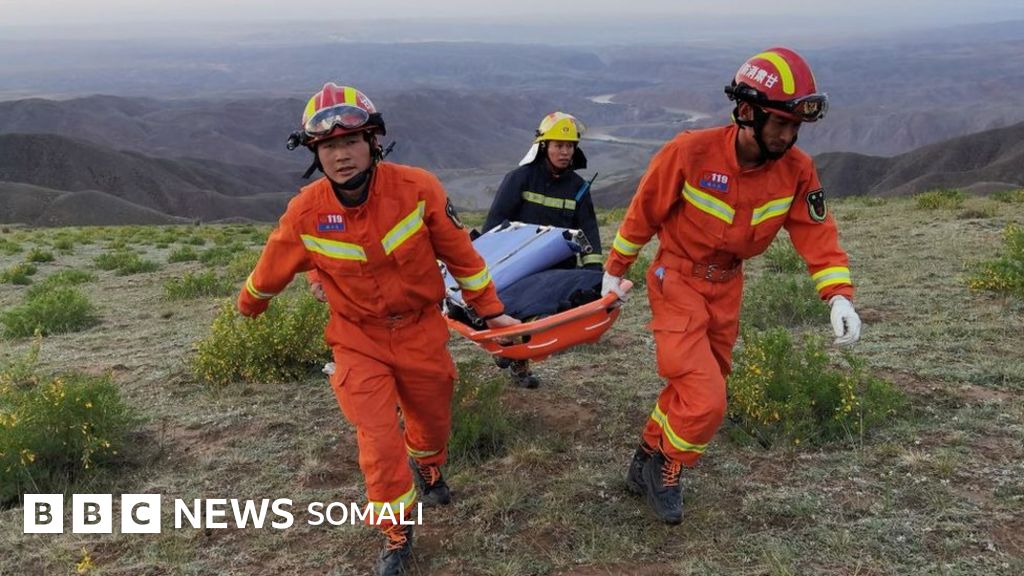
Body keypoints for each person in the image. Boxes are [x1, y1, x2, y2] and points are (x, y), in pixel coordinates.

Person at [237, 83, 519, 576]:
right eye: (327, 147)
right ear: (314, 153)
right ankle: (395, 530)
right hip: (357, 339)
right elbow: (271, 268)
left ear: (373, 143)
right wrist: (250, 306)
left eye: (350, 142)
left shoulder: (417, 189)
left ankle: (429, 464)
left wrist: (491, 312)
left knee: (430, 422)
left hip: (421, 330)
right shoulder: (306, 211)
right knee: (377, 439)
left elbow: (462, 256)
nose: (340, 155)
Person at [601, 48, 862, 524]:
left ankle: (643, 459)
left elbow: (816, 233)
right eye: (779, 123)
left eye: (794, 126)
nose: (787, 135)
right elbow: (644, 213)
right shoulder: (689, 152)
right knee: (706, 399)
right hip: (675, 279)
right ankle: (668, 467)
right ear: (747, 112)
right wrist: (615, 269)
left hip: (727, 288)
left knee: (697, 386)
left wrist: (838, 294)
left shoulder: (797, 169)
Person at [482, 111, 603, 388]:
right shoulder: (520, 179)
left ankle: (515, 355)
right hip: (519, 265)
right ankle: (516, 361)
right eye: (559, 145)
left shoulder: (578, 187)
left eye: (570, 146)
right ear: (544, 146)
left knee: (540, 318)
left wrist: (594, 272)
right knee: (516, 314)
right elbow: (494, 225)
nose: (565, 152)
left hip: (558, 268)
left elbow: (589, 229)